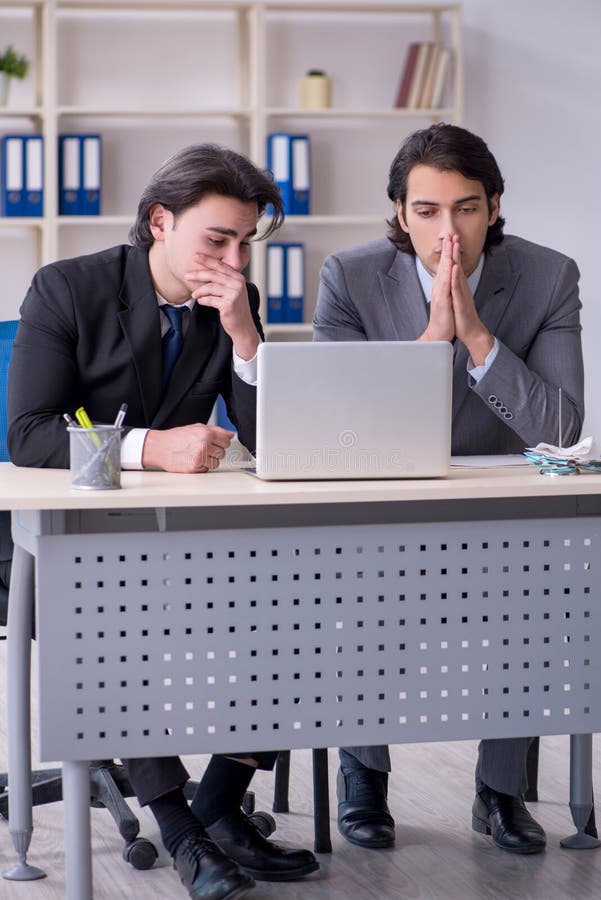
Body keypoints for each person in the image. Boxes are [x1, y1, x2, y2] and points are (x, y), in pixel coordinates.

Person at [5, 143, 318, 900]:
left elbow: (273, 436)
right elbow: (28, 433)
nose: (234, 258)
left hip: (167, 537)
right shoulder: (68, 289)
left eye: (247, 242)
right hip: (50, 547)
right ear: (158, 223)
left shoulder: (228, 306)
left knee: (301, 591)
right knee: (104, 608)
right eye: (218, 239)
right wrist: (152, 447)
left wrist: (245, 335)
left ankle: (216, 807)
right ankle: (185, 835)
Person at [313, 123, 584, 855]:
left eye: (464, 208)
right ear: (400, 212)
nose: (446, 231)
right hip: (381, 505)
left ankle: (498, 791)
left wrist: (479, 341)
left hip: (501, 512)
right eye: (426, 211)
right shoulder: (349, 275)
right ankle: (362, 777)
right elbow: (341, 427)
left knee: (533, 593)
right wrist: (433, 341)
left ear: (493, 206)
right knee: (352, 590)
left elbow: (560, 425)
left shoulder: (548, 275)